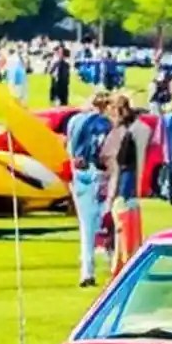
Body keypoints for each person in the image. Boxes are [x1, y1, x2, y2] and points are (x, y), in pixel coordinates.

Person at [65, 91, 111, 287]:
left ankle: (87, 270)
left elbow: (69, 148)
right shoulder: (103, 124)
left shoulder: (74, 121)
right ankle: (113, 265)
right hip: (97, 172)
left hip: (78, 173)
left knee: (86, 226)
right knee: (108, 223)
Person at [102, 94, 146, 277]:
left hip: (124, 186)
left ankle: (122, 262)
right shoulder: (129, 130)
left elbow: (120, 164)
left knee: (122, 225)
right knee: (123, 226)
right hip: (127, 185)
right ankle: (122, 262)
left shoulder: (124, 133)